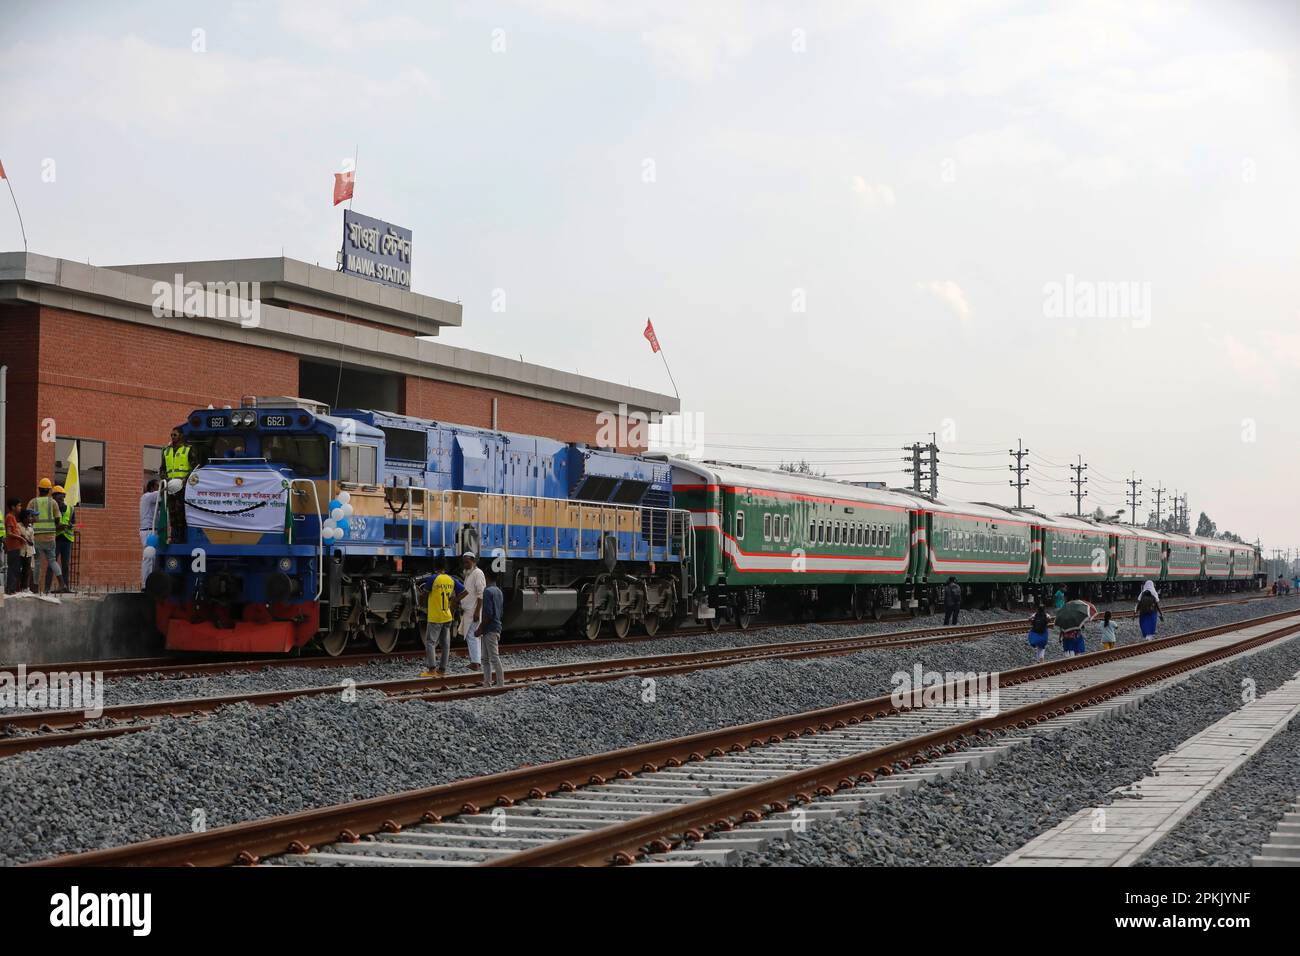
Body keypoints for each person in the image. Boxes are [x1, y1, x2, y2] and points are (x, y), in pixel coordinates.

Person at [418, 561, 465, 678]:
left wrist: (420, 601)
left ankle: (432, 669)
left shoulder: (433, 579)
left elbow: (425, 594)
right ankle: (442, 670)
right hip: (447, 615)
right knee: (445, 644)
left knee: (430, 642)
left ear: (435, 568)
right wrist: (454, 601)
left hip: (435, 616)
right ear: (445, 568)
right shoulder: (451, 579)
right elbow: (465, 591)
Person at [26, 478, 67, 596]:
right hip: (50, 537)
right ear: (49, 490)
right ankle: (62, 583)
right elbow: (58, 520)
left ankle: (35, 588)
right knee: (52, 561)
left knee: (37, 562)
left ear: (39, 489)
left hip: (37, 537)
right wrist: (59, 526)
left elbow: (27, 517)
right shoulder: (52, 503)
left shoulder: (33, 502)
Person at [160, 427, 195, 544]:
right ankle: (174, 537)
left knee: (182, 513)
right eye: (171, 435)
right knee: (172, 513)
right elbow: (162, 469)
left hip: (183, 487)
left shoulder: (188, 450)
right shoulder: (166, 451)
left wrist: (185, 480)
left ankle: (182, 538)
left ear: (180, 435)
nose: (173, 437)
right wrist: (165, 480)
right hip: (170, 486)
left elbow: (194, 468)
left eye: (175, 435)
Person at [459, 551, 486, 670]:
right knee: (473, 636)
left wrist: (477, 611)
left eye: (467, 562)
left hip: (474, 610)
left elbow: (481, 594)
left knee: (472, 635)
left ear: (473, 561)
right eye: (464, 562)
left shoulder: (477, 573)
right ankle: (476, 661)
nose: (465, 564)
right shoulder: (469, 574)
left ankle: (475, 663)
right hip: (469, 610)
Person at [480, 568, 506, 688]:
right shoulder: (498, 591)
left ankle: (500, 684)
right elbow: (500, 612)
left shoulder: (487, 592)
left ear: (487, 577)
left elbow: (488, 614)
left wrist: (479, 628)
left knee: (492, 657)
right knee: (486, 658)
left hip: (489, 629)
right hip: (495, 626)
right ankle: (487, 683)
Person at [50, 485, 74, 593]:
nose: (59, 499)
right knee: (52, 563)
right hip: (55, 539)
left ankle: (65, 587)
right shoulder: (52, 509)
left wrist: (70, 525)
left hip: (67, 540)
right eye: (56, 497)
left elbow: (73, 523)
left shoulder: (70, 509)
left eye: (60, 496)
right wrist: (57, 527)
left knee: (65, 565)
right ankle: (47, 587)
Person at [140, 479, 160, 588]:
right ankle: (145, 584)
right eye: (158, 486)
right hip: (148, 531)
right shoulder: (147, 497)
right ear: (152, 488)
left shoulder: (154, 502)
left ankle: (151, 582)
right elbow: (161, 493)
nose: (159, 488)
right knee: (148, 557)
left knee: (154, 558)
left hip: (153, 530)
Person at [4, 498, 23, 593]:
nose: (20, 508)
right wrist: (20, 538)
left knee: (15, 568)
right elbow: (9, 532)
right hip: (13, 547)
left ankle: (12, 588)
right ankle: (10, 589)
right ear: (13, 507)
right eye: (19, 506)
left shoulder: (13, 517)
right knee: (13, 568)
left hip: (16, 547)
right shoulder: (10, 517)